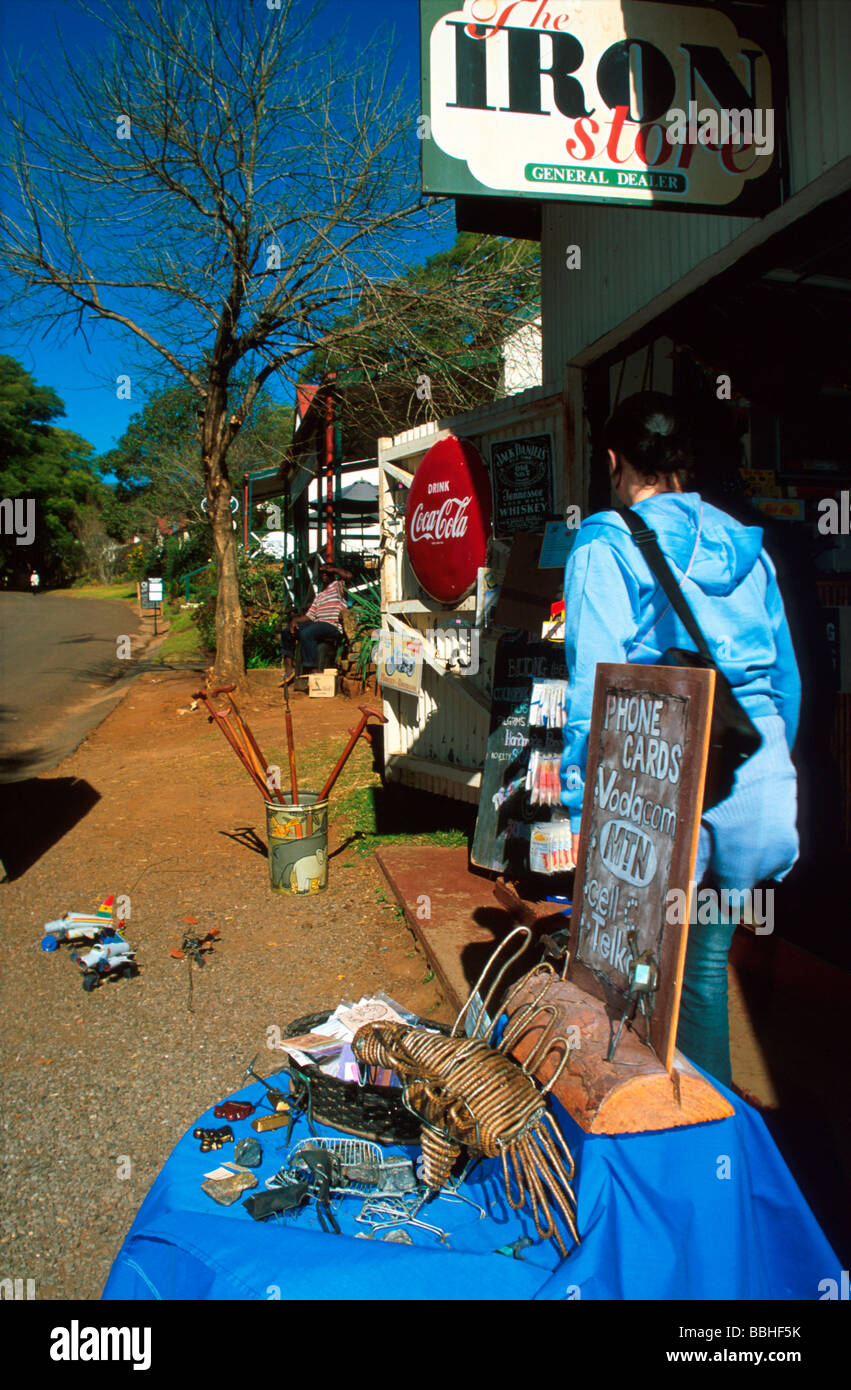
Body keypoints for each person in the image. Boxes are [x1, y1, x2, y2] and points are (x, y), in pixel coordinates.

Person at [559, 391, 801, 1087]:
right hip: (756, 777)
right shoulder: (747, 546)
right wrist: (772, 763)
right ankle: (709, 1135)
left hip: (668, 777)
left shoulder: (604, 542)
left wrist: (584, 816)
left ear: (613, 461)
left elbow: (593, 697)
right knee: (700, 967)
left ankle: (702, 1145)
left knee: (658, 988)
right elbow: (784, 683)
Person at [281, 561, 352, 686]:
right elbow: (309, 616)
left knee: (307, 633)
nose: (324, 573)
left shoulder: (339, 586)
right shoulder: (319, 596)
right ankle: (289, 669)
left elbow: (348, 576)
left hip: (332, 626)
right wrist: (295, 620)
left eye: (327, 571)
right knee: (287, 631)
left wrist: (333, 569)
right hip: (318, 625)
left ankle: (313, 671)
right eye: (322, 572)